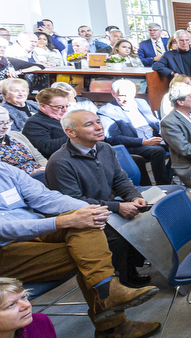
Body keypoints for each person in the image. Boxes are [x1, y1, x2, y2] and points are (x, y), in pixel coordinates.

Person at [0, 163, 160, 338]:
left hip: (34, 233)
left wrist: (87, 210)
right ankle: (110, 320)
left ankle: (107, 294)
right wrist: (63, 221)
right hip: (5, 249)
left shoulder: (4, 169)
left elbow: (45, 197)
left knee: (84, 223)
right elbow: (3, 228)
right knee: (87, 253)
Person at [46, 110, 168, 286]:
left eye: (97, 121)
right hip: (81, 215)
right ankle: (119, 282)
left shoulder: (105, 148)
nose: (98, 127)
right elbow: (73, 202)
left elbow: (120, 179)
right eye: (89, 124)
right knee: (116, 235)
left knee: (148, 216)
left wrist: (134, 197)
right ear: (70, 132)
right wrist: (118, 207)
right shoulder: (60, 163)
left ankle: (131, 269)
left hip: (105, 206)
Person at [97, 79, 172, 185]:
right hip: (132, 145)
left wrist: (166, 134)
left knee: (178, 144)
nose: (127, 99)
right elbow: (113, 138)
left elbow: (154, 122)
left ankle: (169, 177)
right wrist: (144, 142)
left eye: (130, 94)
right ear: (113, 94)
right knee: (158, 151)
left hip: (153, 139)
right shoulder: (106, 111)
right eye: (122, 95)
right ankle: (163, 184)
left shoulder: (141, 103)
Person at [152, 30, 191, 95]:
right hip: (179, 91)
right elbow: (156, 66)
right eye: (181, 40)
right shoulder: (169, 55)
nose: (184, 43)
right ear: (175, 41)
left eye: (187, 40)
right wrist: (173, 73)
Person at [22, 88, 71, 160]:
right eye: (59, 107)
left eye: (66, 106)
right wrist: (75, 136)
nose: (65, 110)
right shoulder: (34, 123)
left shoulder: (66, 119)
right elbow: (46, 148)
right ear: (43, 106)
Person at [0, 106, 46, 175]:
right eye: (1, 123)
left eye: (7, 122)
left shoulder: (16, 135)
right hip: (17, 181)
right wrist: (29, 176)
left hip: (40, 174)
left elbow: (39, 158)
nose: (6, 127)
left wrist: (45, 169)